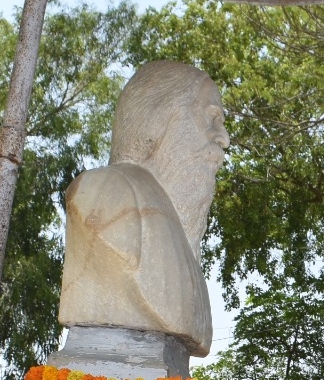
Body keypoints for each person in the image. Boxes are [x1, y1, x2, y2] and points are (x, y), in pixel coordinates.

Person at [58, 61, 227, 359]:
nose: (224, 139)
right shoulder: (102, 192)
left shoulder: (177, 229)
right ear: (157, 118)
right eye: (211, 118)